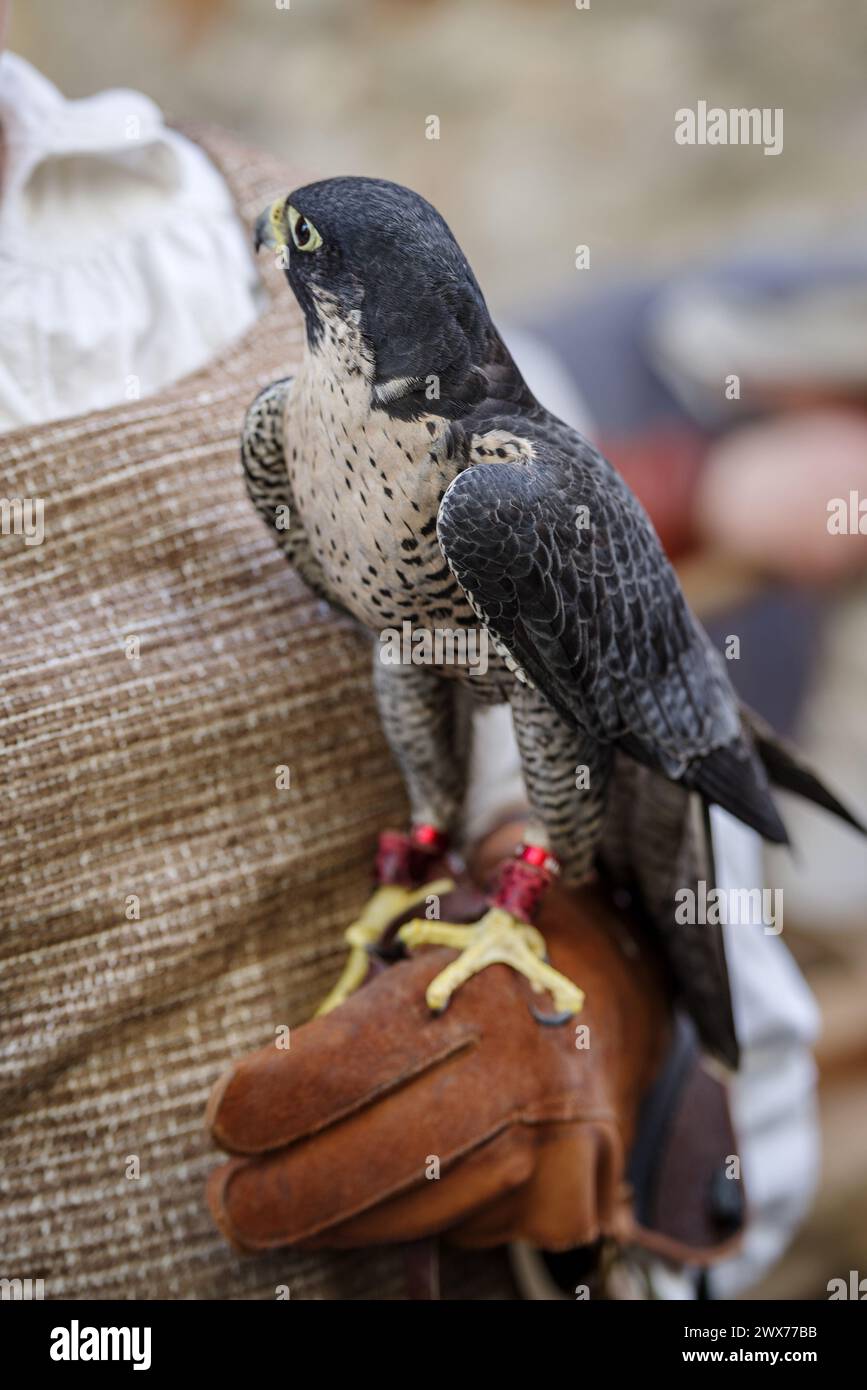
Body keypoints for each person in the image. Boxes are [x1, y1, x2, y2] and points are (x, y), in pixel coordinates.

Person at [0, 42, 820, 1300]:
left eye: (308, 250)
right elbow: (415, 664)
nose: (284, 251)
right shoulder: (293, 436)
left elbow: (749, 1072)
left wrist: (605, 1018)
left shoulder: (495, 473)